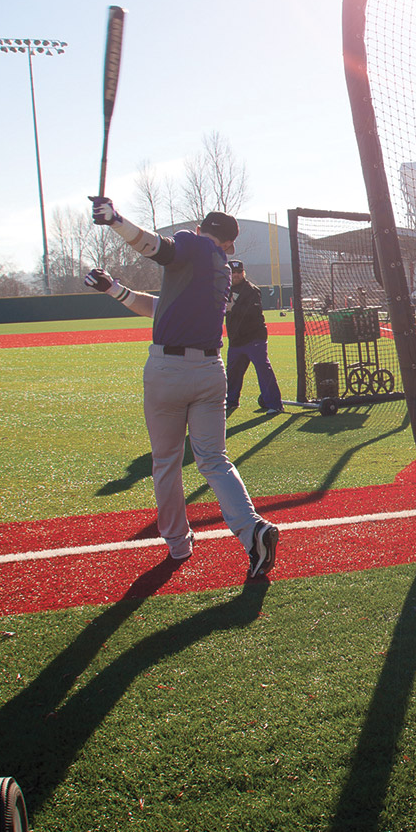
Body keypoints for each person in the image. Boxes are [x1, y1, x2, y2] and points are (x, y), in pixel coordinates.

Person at [86, 200, 280, 578]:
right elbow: (161, 307)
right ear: (228, 243)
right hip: (210, 370)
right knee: (214, 460)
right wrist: (116, 290)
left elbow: (151, 245)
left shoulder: (191, 245)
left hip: (169, 370)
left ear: (202, 229)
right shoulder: (221, 270)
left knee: (166, 462)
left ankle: (177, 542)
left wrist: (114, 220)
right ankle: (252, 528)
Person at [225, 259, 283, 416]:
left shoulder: (251, 290)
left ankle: (275, 404)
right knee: (232, 373)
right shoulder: (224, 290)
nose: (236, 275)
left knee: (263, 370)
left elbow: (252, 312)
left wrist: (233, 308)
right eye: (233, 273)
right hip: (236, 340)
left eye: (238, 272)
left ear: (243, 273)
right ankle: (231, 401)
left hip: (254, 338)